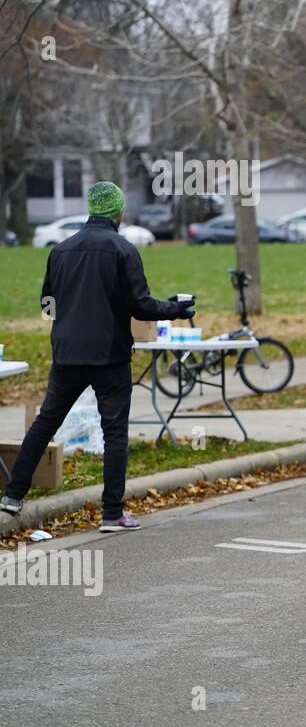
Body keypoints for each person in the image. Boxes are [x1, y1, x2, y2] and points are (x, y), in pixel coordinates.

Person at [0, 182, 193, 529]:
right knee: (114, 432)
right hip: (109, 355)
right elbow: (141, 305)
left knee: (45, 422)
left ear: (91, 209)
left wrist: (62, 324)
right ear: (117, 211)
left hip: (67, 353)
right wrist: (176, 309)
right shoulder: (123, 250)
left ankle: (13, 494)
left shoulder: (60, 250)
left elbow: (47, 303)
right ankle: (112, 512)